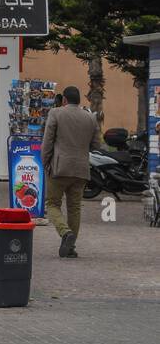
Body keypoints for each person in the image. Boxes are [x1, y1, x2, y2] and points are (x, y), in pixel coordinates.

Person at [41, 85, 104, 258]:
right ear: (79, 100)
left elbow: (48, 141)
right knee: (74, 208)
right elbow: (97, 145)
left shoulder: (56, 113)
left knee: (52, 204)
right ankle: (70, 247)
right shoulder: (90, 117)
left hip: (59, 168)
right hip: (81, 169)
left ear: (64, 100)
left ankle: (65, 233)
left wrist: (45, 161)